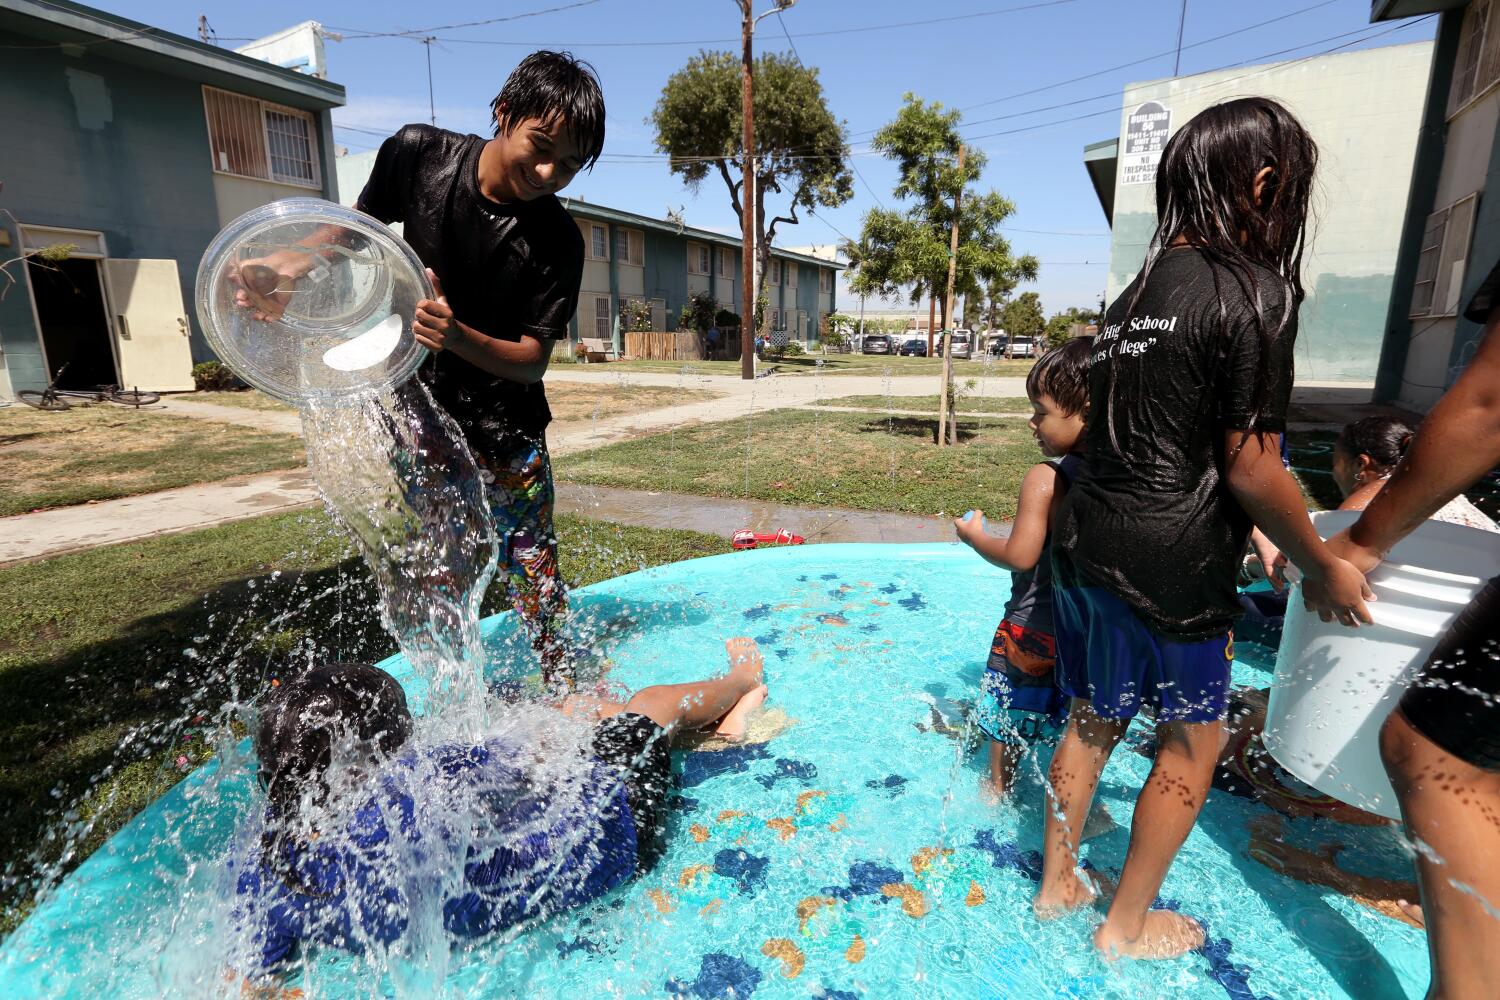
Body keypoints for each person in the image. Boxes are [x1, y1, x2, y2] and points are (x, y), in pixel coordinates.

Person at [1034, 97, 1373, 961]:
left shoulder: (1133, 295)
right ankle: (1123, 926)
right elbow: (1250, 465)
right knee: (1194, 739)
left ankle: (1056, 886)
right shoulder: (1253, 292)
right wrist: (1321, 561)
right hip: (1173, 561)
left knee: (1092, 718)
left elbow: (1161, 435)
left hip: (1087, 542)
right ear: (1264, 181)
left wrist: (1261, 537)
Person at [233, 51, 607, 692]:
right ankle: (455, 696)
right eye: (541, 147)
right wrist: (291, 265)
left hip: (506, 428)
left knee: (532, 564)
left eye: (569, 165)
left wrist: (456, 335)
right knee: (439, 562)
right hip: (420, 413)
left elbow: (532, 360)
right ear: (504, 114)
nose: (549, 173)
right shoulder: (418, 154)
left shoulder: (560, 241)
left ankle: (565, 683)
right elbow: (355, 232)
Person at [231, 639, 768, 983]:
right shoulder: (429, 781)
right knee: (648, 704)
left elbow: (251, 977)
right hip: (612, 836)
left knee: (589, 714)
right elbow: (538, 751)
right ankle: (741, 682)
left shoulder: (269, 858)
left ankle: (721, 732)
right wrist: (577, 718)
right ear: (393, 744)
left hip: (511, 904)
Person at [1317, 254, 1500, 1000]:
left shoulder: (1365, 504)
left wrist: (1358, 542)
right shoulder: (1477, 520)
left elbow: (1489, 403)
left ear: (1361, 464)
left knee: (1428, 753)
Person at [955, 340, 1090, 798]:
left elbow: (1019, 555)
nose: (1032, 423)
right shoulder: (1122, 478)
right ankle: (1075, 804)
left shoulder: (1047, 478)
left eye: (1041, 411)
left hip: (1033, 625)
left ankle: (997, 790)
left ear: (1085, 410)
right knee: (1075, 720)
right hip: (1089, 631)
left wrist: (975, 536)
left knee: (1009, 708)